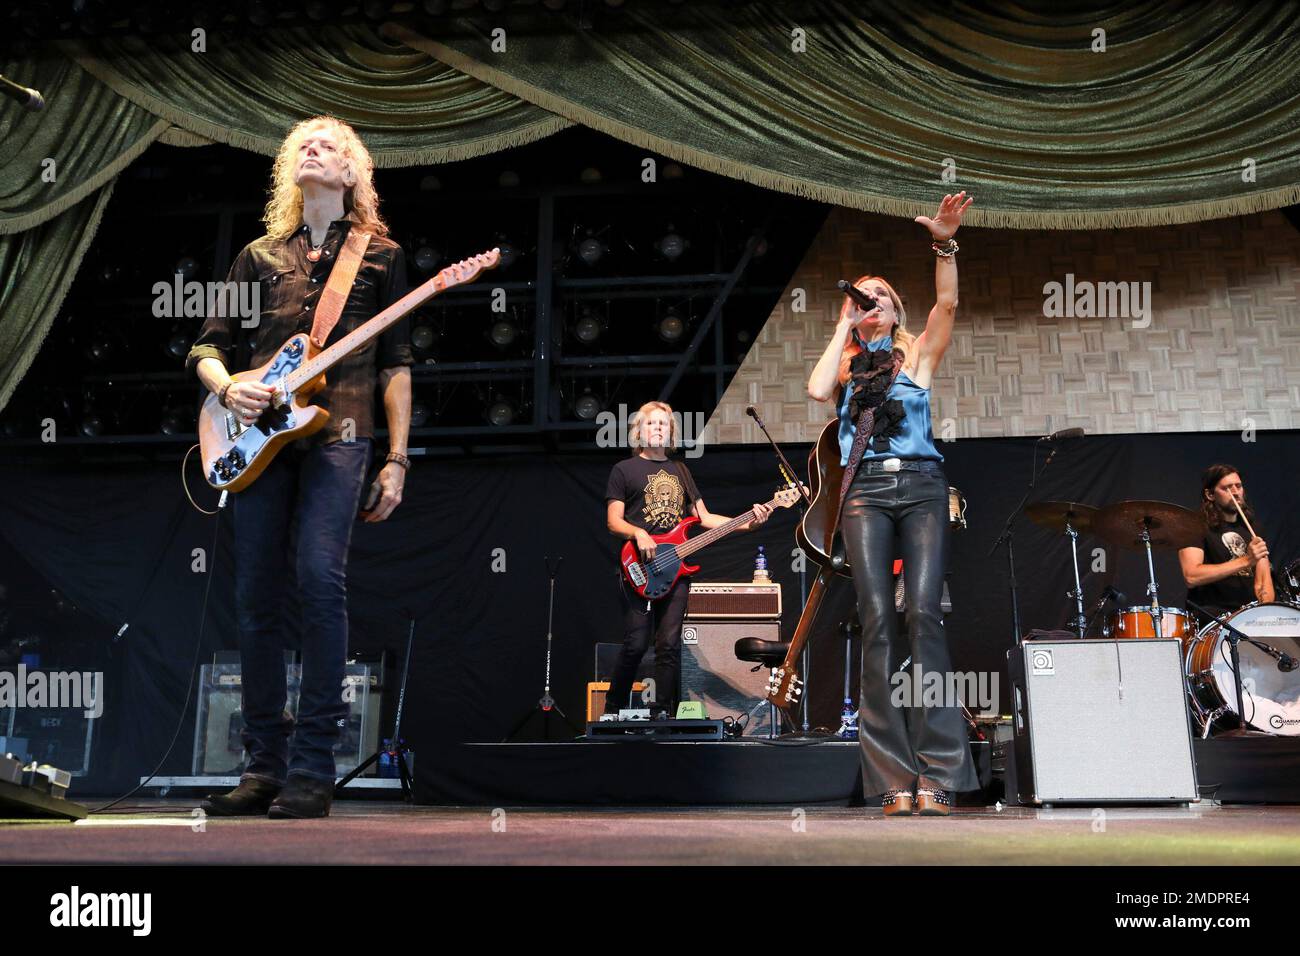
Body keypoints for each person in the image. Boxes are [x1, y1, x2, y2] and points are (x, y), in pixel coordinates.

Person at [187, 116, 413, 818]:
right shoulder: (256, 256)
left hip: (341, 433)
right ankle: (262, 766)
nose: (314, 151)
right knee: (257, 597)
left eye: (330, 147)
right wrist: (230, 388)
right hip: (254, 440)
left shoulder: (380, 256)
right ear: (291, 168)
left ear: (352, 174)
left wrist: (398, 457)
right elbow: (206, 345)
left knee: (320, 581)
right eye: (303, 146)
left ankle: (313, 767)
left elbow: (397, 364)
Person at [806, 192, 978, 816]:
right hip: (865, 495)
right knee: (877, 623)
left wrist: (945, 242)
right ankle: (890, 779)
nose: (867, 299)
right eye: (859, 295)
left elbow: (949, 302)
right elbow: (816, 388)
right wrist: (841, 326)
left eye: (877, 294)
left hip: (923, 489)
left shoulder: (917, 358)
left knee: (924, 617)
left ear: (895, 307)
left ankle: (939, 773)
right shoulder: (847, 366)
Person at [603, 401, 771, 718]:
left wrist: (748, 522)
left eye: (663, 424)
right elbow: (613, 521)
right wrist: (638, 533)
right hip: (637, 566)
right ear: (639, 430)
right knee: (636, 644)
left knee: (669, 644)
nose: (657, 428)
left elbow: (703, 518)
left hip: (676, 569)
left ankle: (663, 712)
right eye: (651, 424)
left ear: (671, 433)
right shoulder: (624, 470)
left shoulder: (681, 471)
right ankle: (613, 709)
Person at [1179, 464, 1273, 621]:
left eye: (1238, 486)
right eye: (1227, 488)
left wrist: (1263, 617)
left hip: (1248, 616)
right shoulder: (1195, 525)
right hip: (1213, 617)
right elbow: (1191, 576)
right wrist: (1247, 560)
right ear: (1210, 494)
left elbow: (1263, 583)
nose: (1236, 492)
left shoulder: (1254, 528)